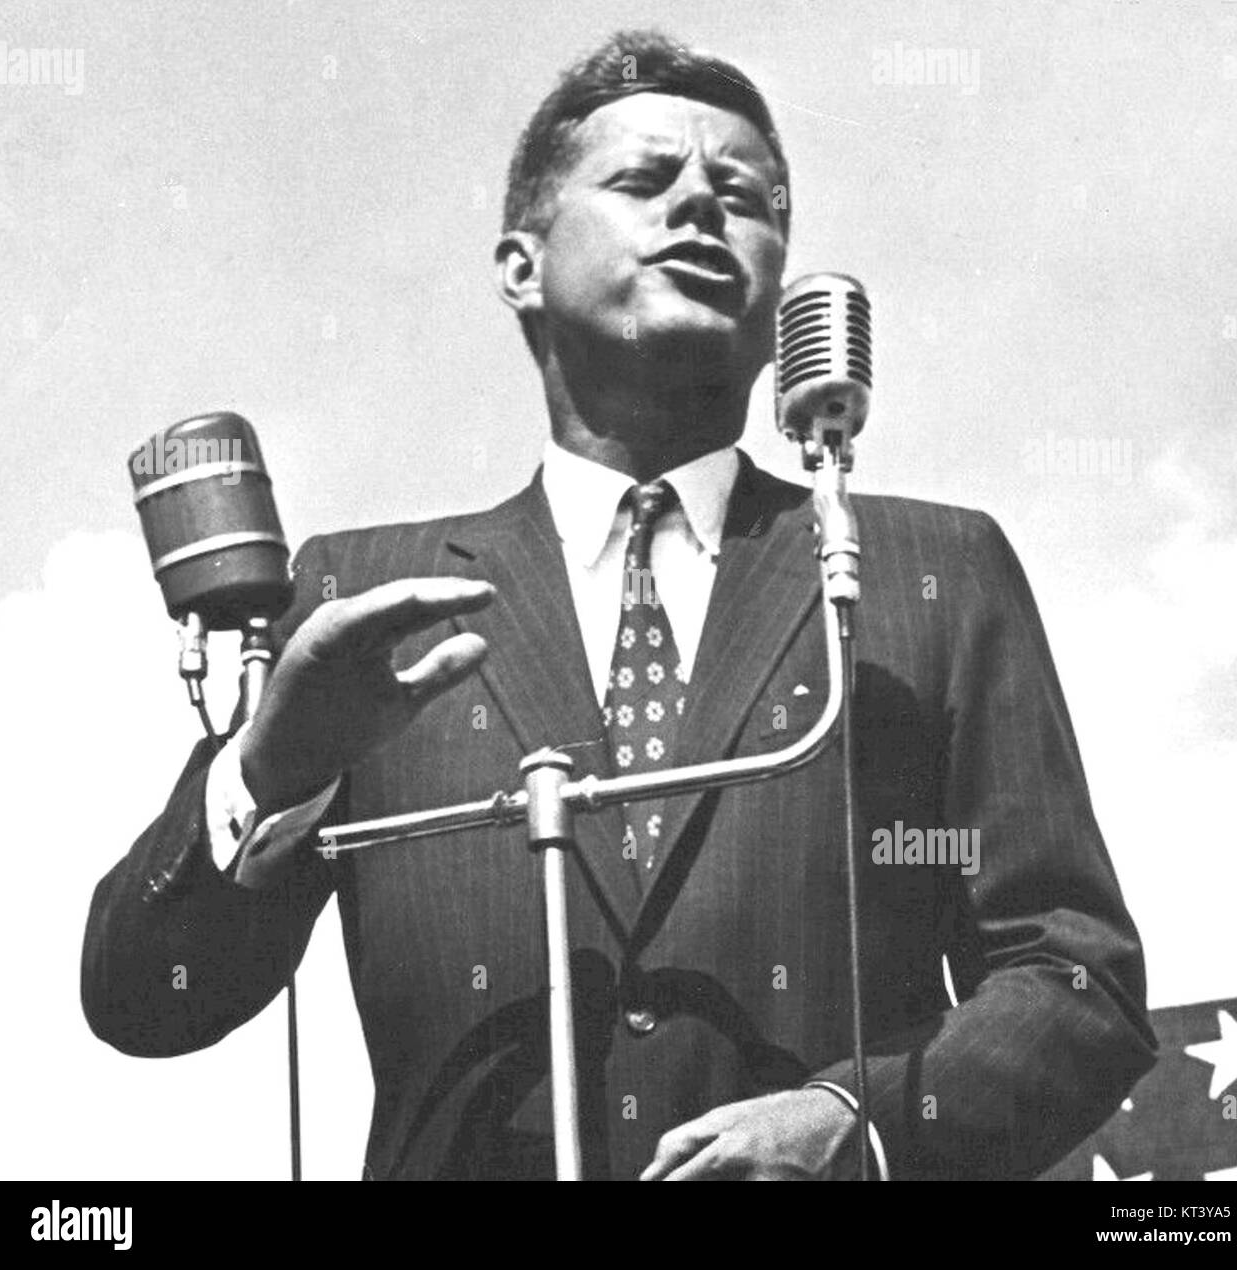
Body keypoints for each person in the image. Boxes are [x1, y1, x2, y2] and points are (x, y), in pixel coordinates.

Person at [82, 29, 1157, 1181]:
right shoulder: (364, 607)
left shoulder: (925, 567)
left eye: (747, 198)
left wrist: (859, 1119)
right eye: (646, 181)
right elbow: (147, 999)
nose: (703, 203)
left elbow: (1075, 982)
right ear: (520, 265)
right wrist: (267, 775)